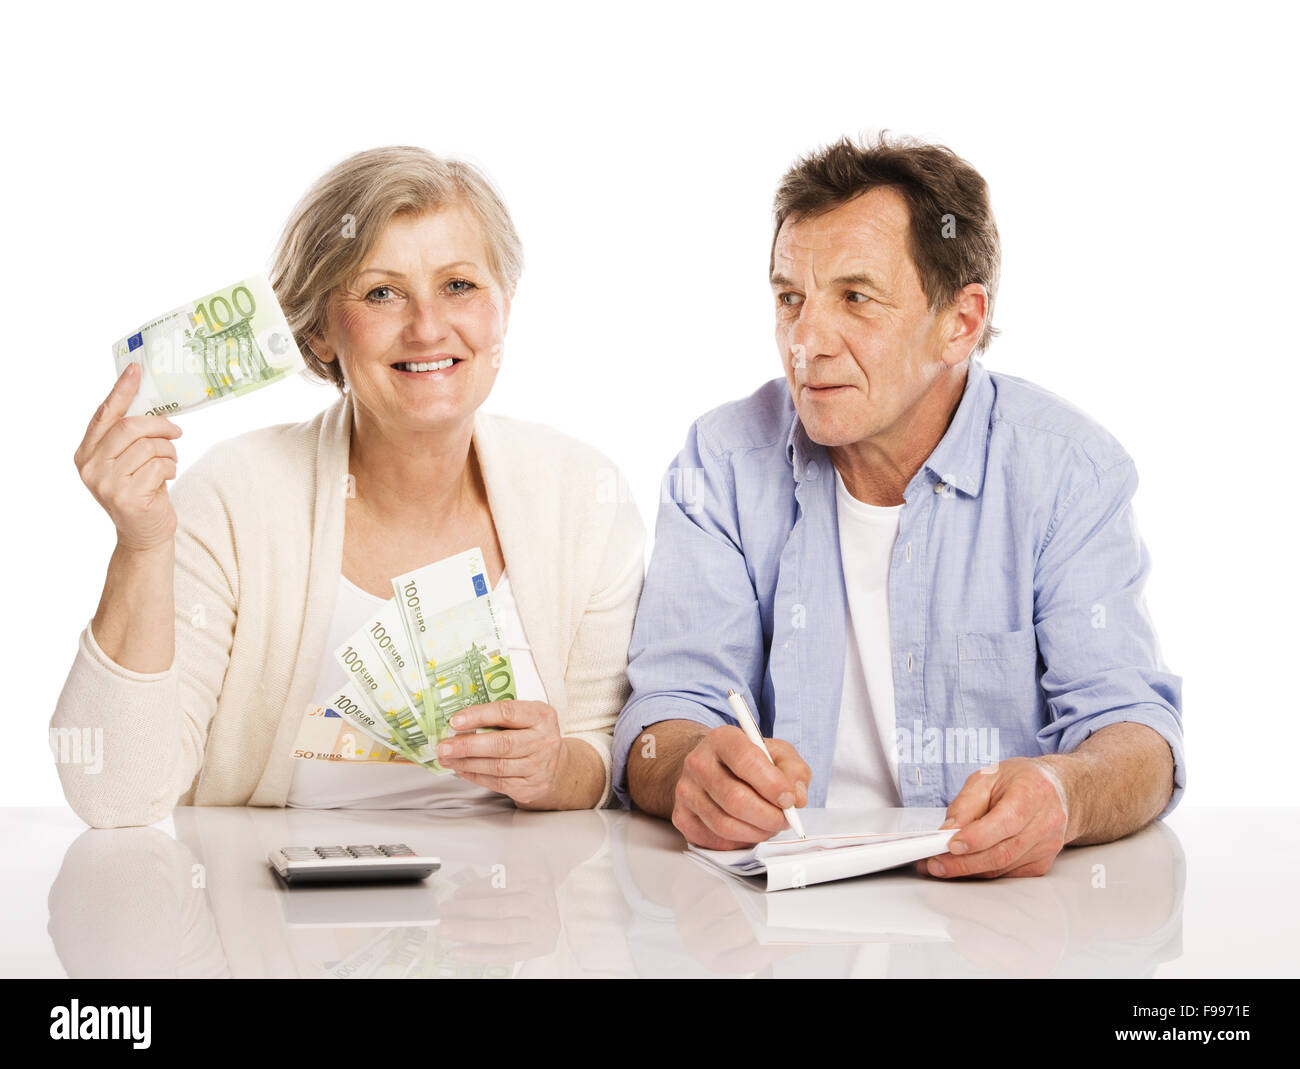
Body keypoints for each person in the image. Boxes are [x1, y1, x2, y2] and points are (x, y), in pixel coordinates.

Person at [615, 134, 1183, 878]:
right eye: (791, 298)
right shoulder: (721, 463)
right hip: (772, 918)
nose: (805, 342)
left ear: (961, 321)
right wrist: (693, 765)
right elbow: (665, 711)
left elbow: (1135, 732)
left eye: (855, 297)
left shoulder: (1068, 473)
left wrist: (1064, 791)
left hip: (997, 922)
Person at [55, 146, 644, 827]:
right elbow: (117, 796)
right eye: (381, 292)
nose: (427, 326)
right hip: (274, 914)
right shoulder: (231, 500)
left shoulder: (581, 496)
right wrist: (141, 546)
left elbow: (610, 752)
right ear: (319, 331)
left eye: (459, 285)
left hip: (514, 919)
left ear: (504, 304)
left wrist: (555, 769)